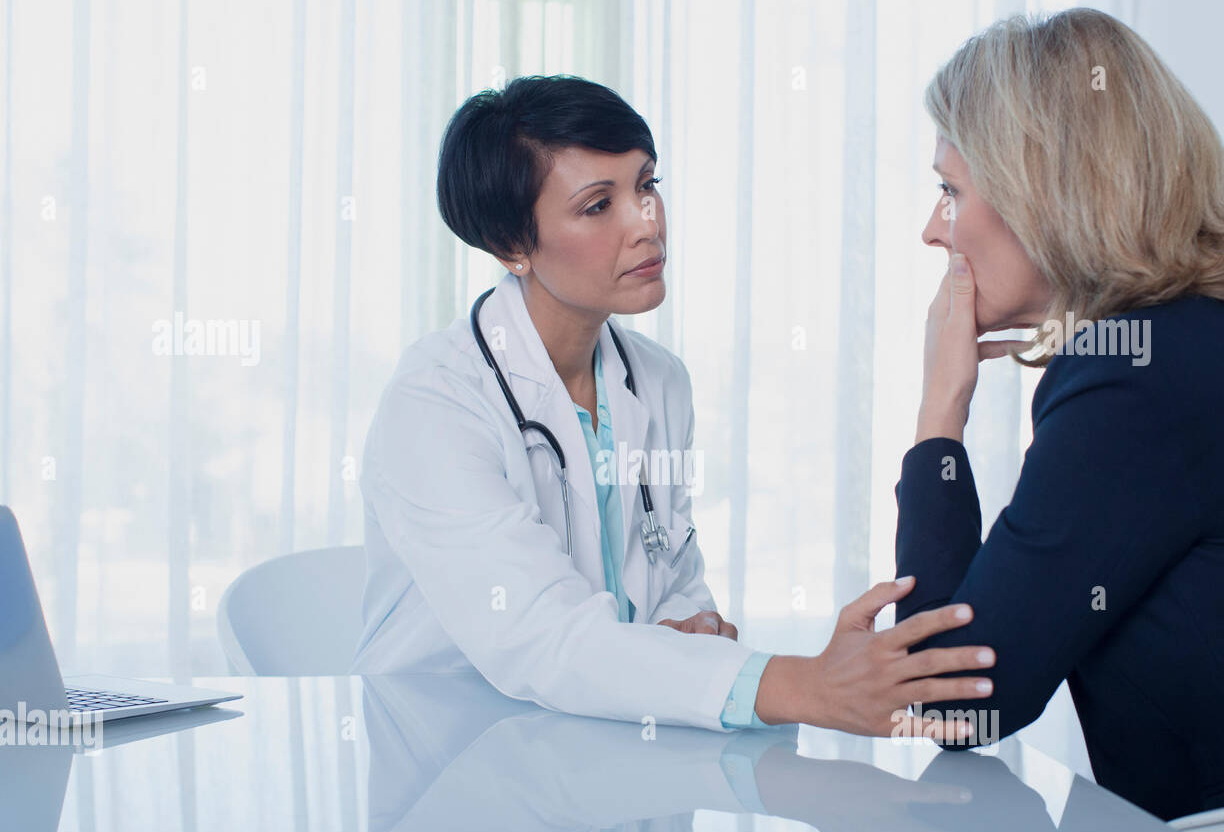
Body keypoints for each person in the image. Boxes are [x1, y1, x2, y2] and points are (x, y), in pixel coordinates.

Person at [352, 75, 993, 738]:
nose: (646, 223)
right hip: (455, 764)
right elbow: (543, 638)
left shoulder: (658, 381)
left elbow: (673, 576)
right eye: (599, 206)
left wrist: (692, 628)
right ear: (513, 246)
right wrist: (800, 685)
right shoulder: (435, 406)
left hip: (613, 752)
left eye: (646, 186)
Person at [895, 9, 1224, 820]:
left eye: (950, 191)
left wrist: (940, 412)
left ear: (1038, 189)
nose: (933, 230)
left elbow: (954, 695)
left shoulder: (1135, 377)